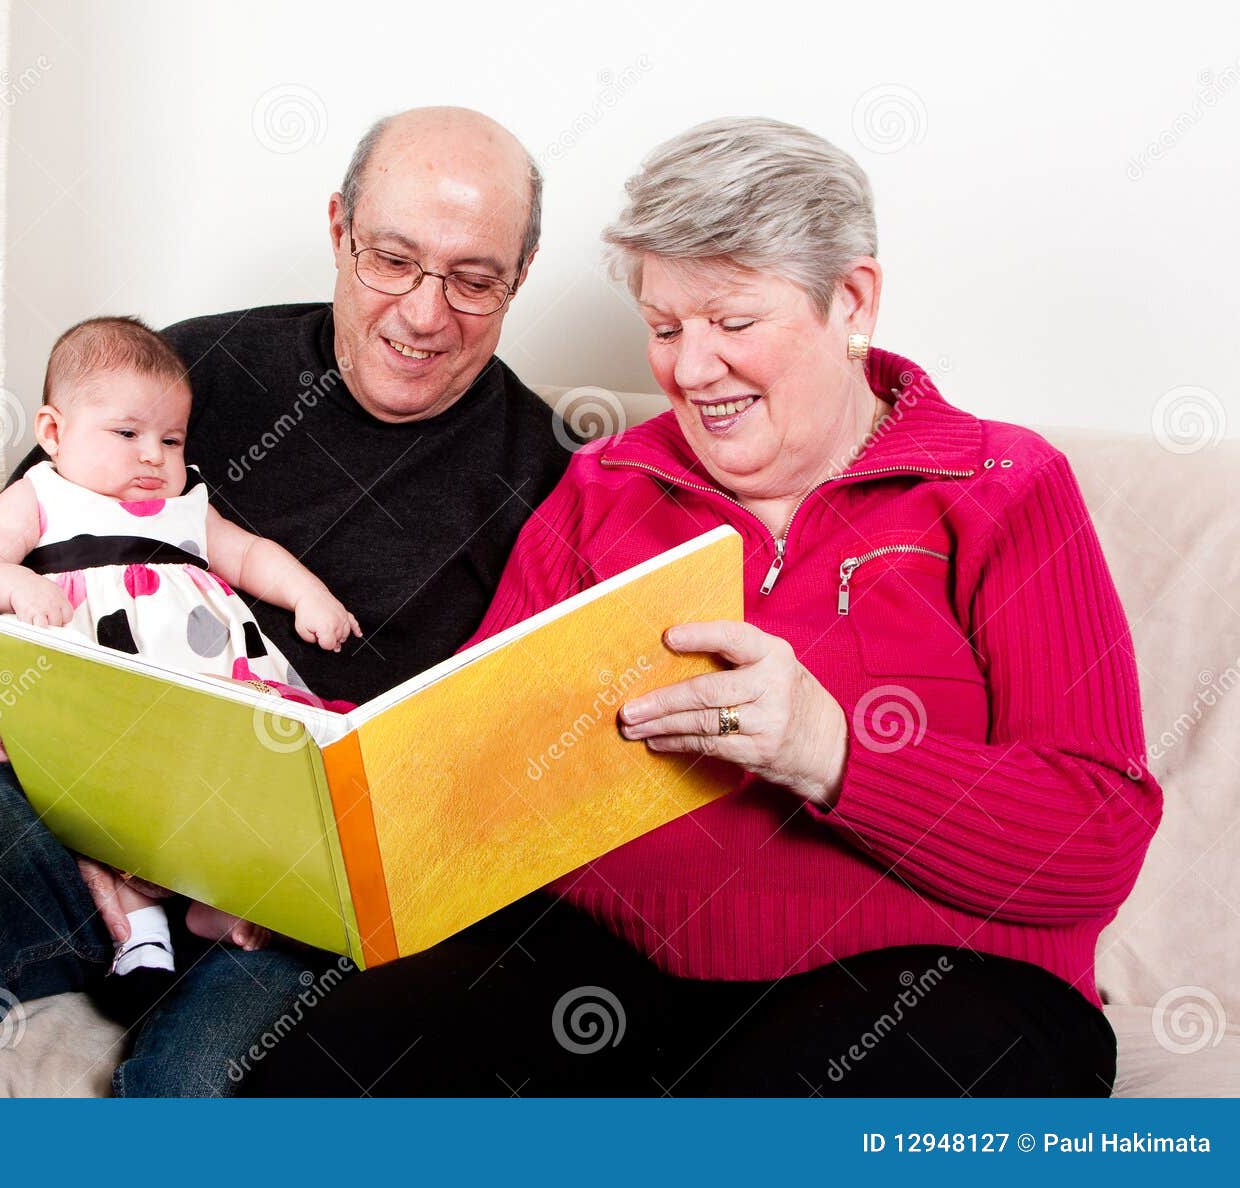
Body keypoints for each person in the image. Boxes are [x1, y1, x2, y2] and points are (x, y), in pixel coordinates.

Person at [237, 117, 1162, 1097]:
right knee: (320, 1069)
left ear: (849, 301)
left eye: (731, 322)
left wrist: (831, 750)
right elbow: (481, 755)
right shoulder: (606, 486)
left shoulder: (999, 486)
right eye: (666, 327)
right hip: (620, 984)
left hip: (930, 990)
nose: (688, 369)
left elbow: (1097, 835)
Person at [0, 106, 571, 1097]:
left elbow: (518, 761)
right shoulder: (188, 375)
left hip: (296, 901)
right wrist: (74, 802)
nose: (422, 312)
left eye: (474, 279)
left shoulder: (546, 473)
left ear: (520, 277)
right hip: (70, 803)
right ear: (336, 229)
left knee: (206, 1089)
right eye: (392, 260)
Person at [0, 315, 362, 976]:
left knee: (249, 780)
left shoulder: (187, 506)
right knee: (112, 799)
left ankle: (227, 899)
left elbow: (250, 555)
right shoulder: (43, 496)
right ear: (53, 432)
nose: (153, 456)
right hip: (109, 700)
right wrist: (16, 585)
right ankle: (141, 938)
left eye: (171, 439)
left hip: (208, 698)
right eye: (127, 433)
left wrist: (309, 595)